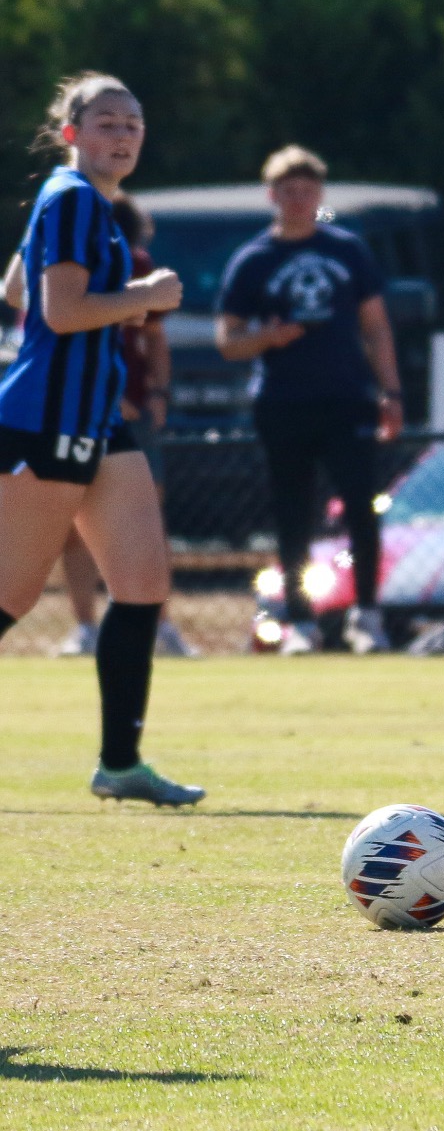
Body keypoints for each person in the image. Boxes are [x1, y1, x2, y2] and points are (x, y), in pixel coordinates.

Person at [0, 72, 203, 805]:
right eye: (107, 122)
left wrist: (118, 303)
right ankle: (120, 762)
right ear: (72, 133)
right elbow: (57, 312)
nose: (123, 135)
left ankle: (121, 763)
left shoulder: (78, 202)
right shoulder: (77, 198)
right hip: (43, 416)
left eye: (134, 124)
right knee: (12, 595)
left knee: (143, 582)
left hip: (92, 414)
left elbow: (17, 291)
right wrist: (144, 300)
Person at [217, 145, 403, 655]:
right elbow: (228, 340)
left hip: (347, 400)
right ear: (272, 195)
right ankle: (300, 620)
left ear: (319, 195)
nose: (299, 200)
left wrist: (391, 390)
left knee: (361, 510)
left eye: (308, 191)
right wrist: (266, 338)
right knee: (292, 513)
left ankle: (367, 616)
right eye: (289, 191)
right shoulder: (254, 260)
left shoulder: (348, 251)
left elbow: (376, 328)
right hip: (283, 403)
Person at [43, 192, 195, 659]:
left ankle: (160, 626)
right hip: (73, 407)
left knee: (147, 520)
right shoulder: (56, 266)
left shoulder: (137, 263)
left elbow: (154, 339)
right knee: (75, 524)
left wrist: (155, 394)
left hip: (128, 409)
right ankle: (85, 627)